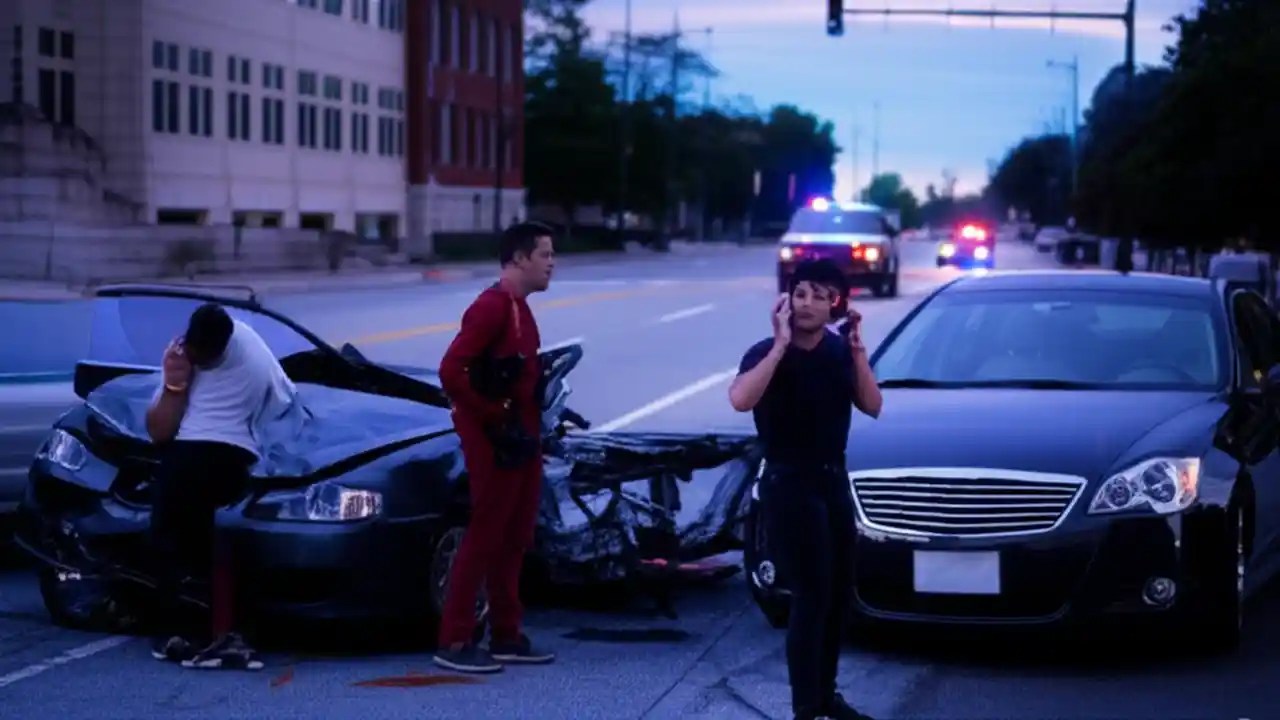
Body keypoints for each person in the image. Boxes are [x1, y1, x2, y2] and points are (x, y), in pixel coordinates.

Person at [728, 259, 883, 720]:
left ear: (836, 304)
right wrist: (778, 347)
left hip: (833, 480)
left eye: (820, 295)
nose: (808, 303)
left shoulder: (840, 352)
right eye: (801, 294)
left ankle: (825, 695)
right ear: (786, 301)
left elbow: (873, 405)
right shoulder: (764, 352)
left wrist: (857, 352)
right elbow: (740, 399)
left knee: (838, 595)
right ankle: (805, 708)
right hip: (789, 483)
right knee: (811, 596)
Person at [432, 222, 558, 673]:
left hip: (521, 434)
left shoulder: (520, 307)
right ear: (520, 259)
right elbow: (451, 371)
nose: (551, 262)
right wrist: (490, 415)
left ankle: (506, 634)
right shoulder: (491, 307)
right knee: (486, 534)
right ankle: (455, 639)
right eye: (544, 254)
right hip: (494, 436)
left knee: (515, 537)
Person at [144, 302, 297, 670]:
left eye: (201, 357)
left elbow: (158, 431)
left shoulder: (184, 359)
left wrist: (174, 385)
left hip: (193, 455)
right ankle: (225, 634)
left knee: (171, 539)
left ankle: (180, 635)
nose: (193, 357)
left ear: (217, 350)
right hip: (237, 461)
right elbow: (285, 399)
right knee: (217, 547)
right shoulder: (247, 347)